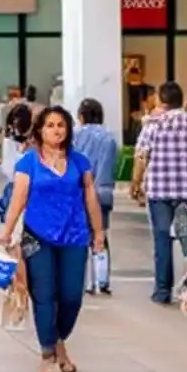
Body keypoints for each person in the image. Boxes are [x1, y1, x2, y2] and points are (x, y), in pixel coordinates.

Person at [0, 106, 104, 372]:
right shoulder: (28, 162)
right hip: (38, 237)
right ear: (40, 131)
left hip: (75, 236)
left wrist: (99, 231)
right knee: (44, 295)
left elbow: (91, 197)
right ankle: (47, 356)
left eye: (61, 125)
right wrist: (7, 232)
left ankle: (59, 341)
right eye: (50, 125)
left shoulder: (80, 162)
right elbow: (18, 199)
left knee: (71, 297)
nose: (56, 130)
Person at [130, 81, 187, 304]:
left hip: (159, 192)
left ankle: (162, 290)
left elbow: (141, 156)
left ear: (160, 100)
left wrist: (135, 183)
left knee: (162, 240)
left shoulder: (153, 126)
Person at [72, 99, 119, 295]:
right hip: (104, 191)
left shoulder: (75, 136)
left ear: (81, 116)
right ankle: (103, 278)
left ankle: (87, 281)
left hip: (80, 191)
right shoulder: (110, 138)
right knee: (101, 234)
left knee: (82, 235)